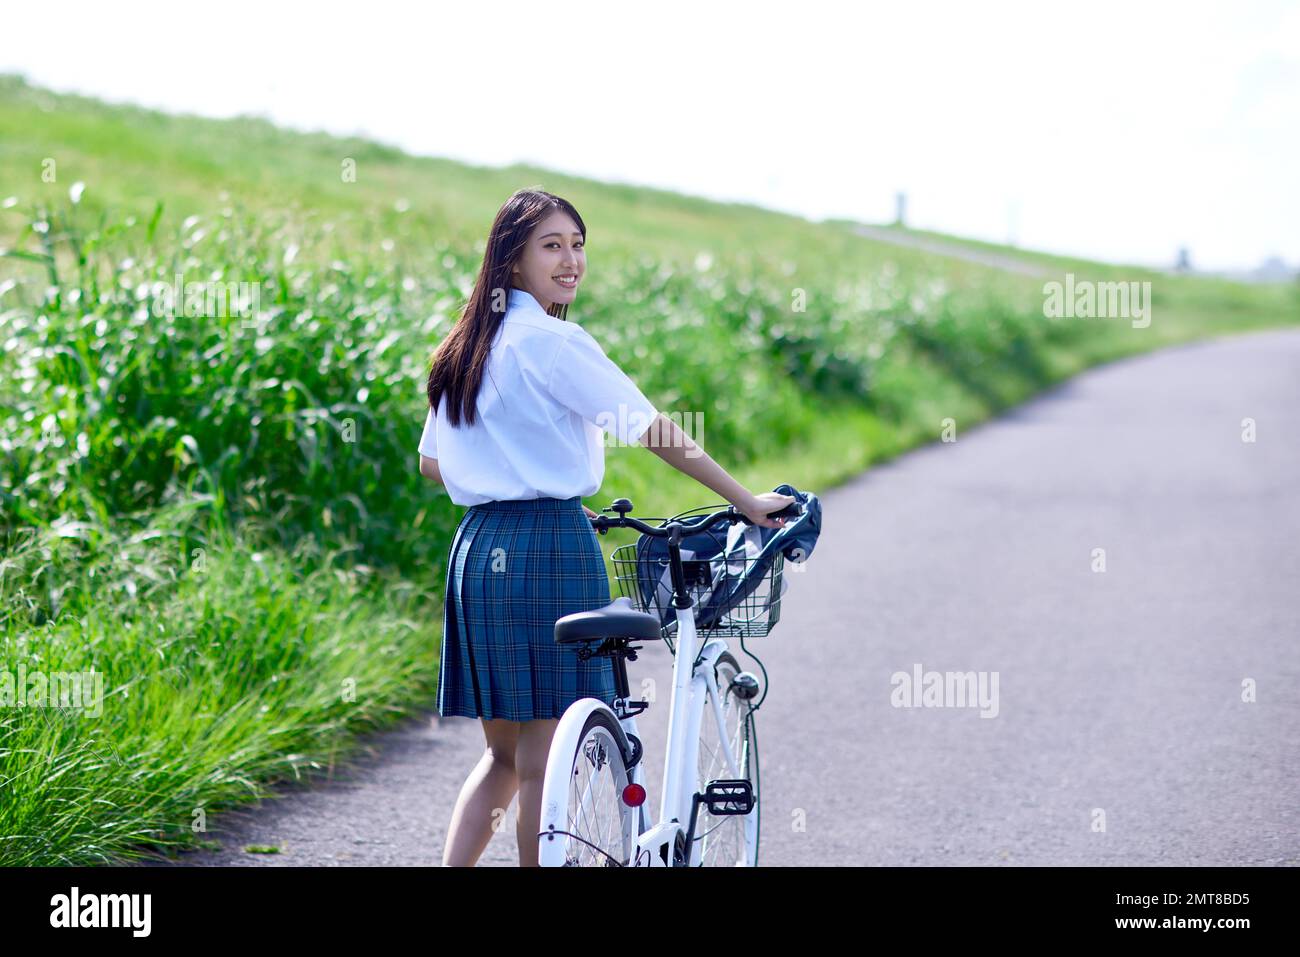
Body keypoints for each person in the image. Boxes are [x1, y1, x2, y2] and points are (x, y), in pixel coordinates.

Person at [417, 187, 796, 867]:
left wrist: (517, 481)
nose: (571, 261)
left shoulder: (463, 347)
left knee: (501, 756)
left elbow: (433, 464)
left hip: (477, 550)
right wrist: (742, 498)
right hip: (549, 550)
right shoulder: (556, 342)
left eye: (578, 244)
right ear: (511, 261)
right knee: (540, 758)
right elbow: (651, 428)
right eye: (551, 246)